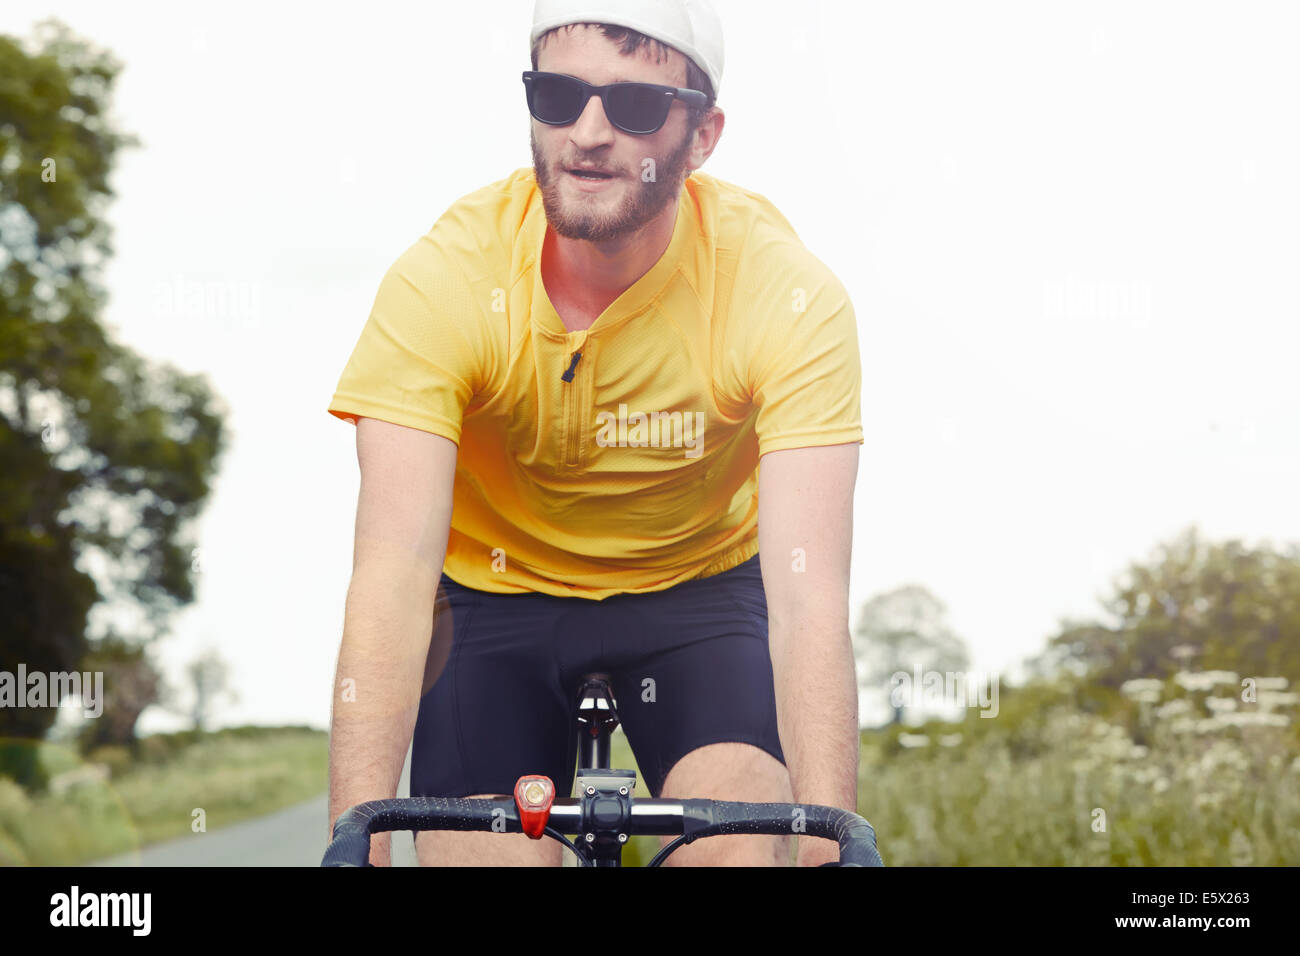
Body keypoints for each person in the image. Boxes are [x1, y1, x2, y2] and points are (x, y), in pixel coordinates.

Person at [326, 0, 863, 866]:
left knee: (741, 846)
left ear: (703, 136)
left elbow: (808, 601)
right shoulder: (444, 280)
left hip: (696, 591)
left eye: (637, 106)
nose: (587, 132)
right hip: (492, 598)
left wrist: (828, 846)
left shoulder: (783, 293)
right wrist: (355, 842)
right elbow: (390, 579)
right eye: (558, 94)